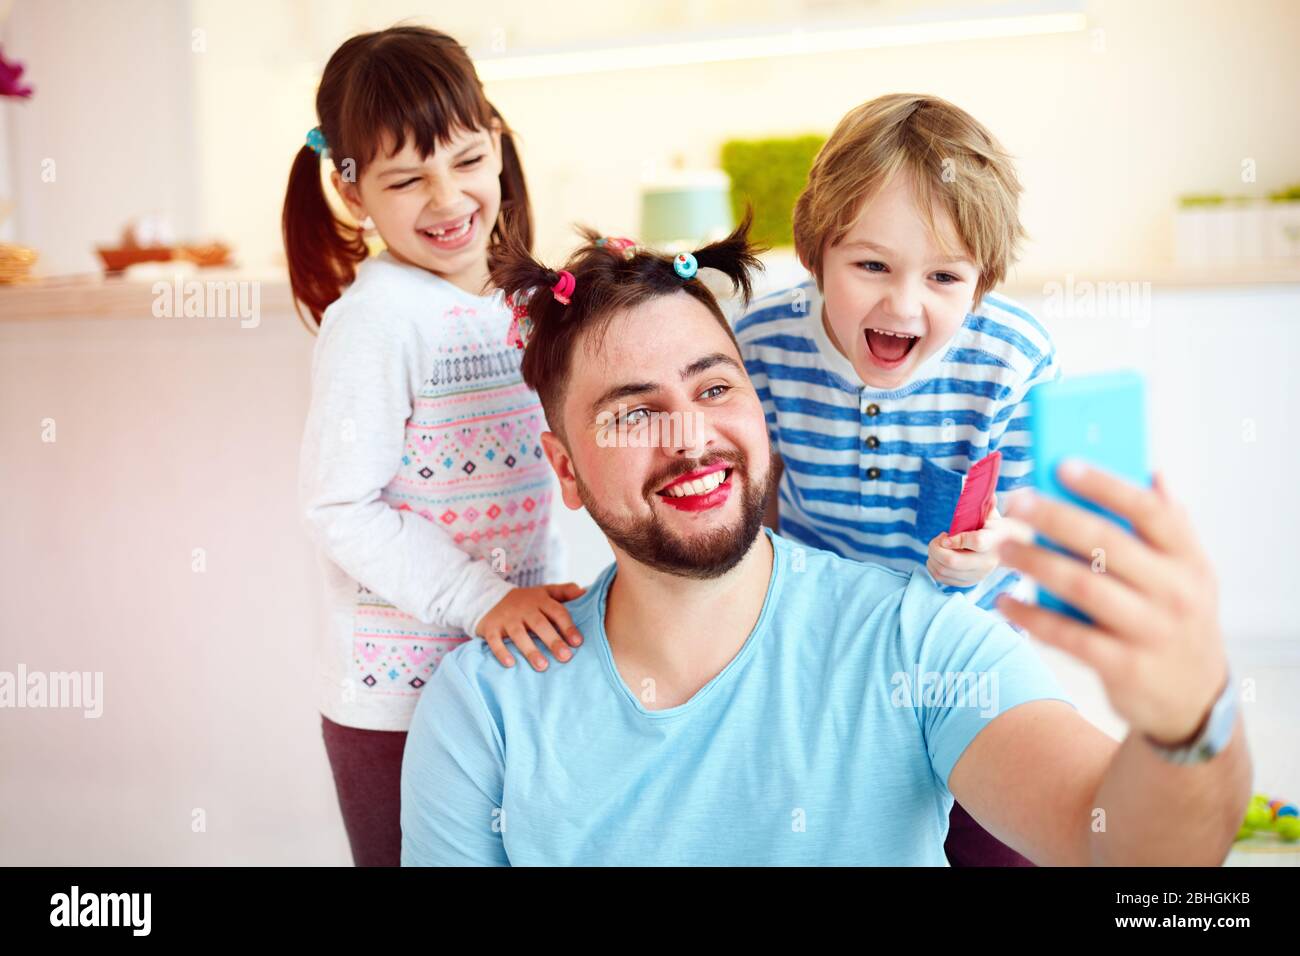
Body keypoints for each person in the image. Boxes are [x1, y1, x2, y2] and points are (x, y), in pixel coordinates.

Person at [399, 216, 1250, 865]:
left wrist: (1190, 723)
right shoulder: (484, 710)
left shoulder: (918, 639)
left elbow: (1122, 845)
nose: (692, 438)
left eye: (715, 385)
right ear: (567, 469)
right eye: (633, 412)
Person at [736, 92, 1059, 864]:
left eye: (945, 277)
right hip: (826, 644)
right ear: (816, 254)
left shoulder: (1011, 357)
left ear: (981, 282)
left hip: (968, 641)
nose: (903, 303)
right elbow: (757, 504)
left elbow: (1031, 513)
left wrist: (998, 544)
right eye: (871, 265)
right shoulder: (763, 345)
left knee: (1000, 837)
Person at [288, 26, 583, 867]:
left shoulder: (519, 299)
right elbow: (339, 507)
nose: (447, 200)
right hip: (402, 701)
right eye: (405, 179)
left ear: (495, 146)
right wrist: (482, 596)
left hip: (513, 671)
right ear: (352, 191)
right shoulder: (376, 322)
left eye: (463, 160)